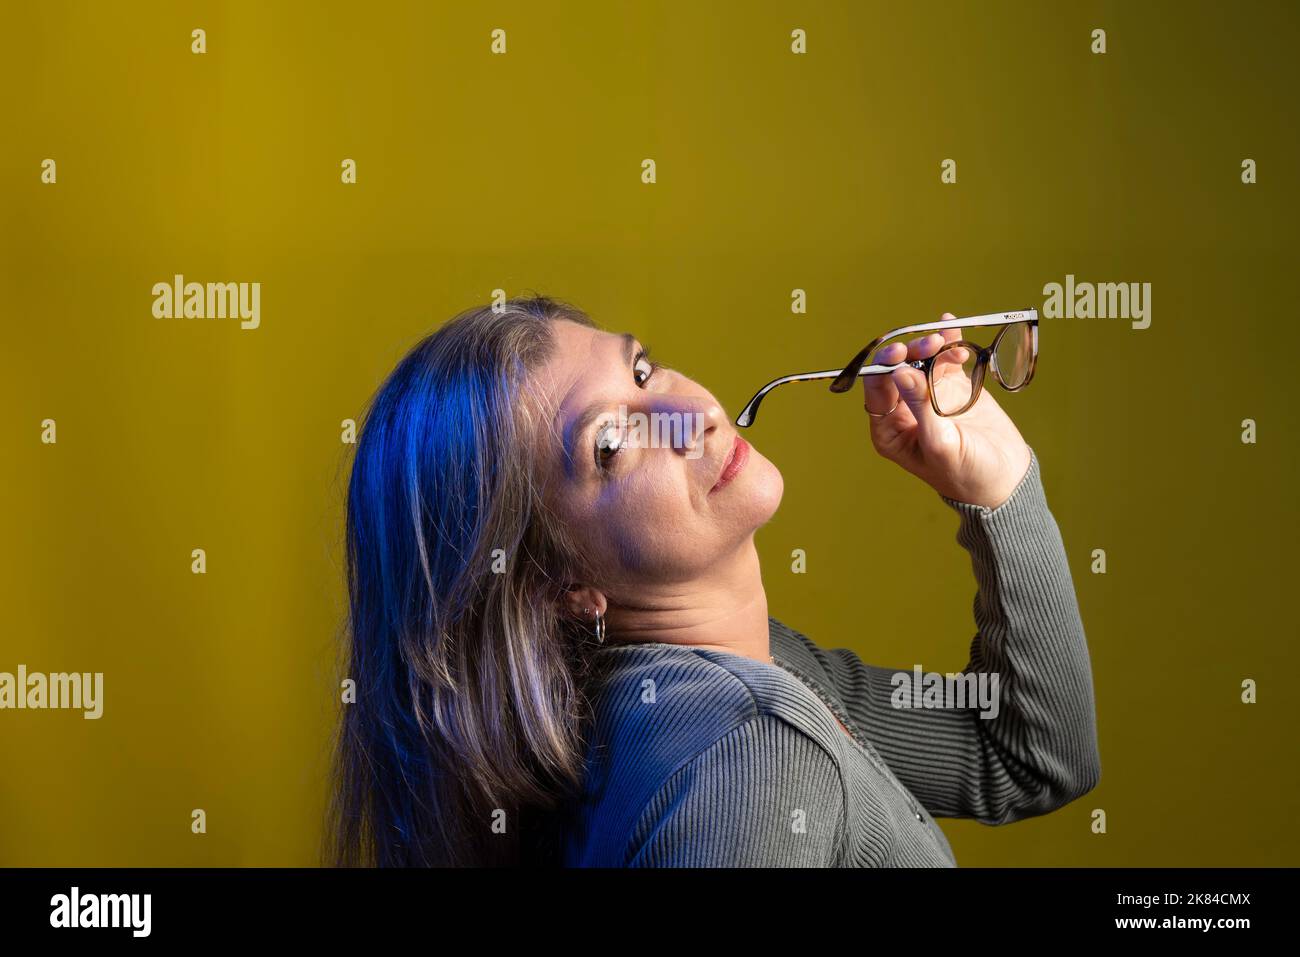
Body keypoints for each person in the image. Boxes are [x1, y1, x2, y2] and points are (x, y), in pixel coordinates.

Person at [328, 294, 1100, 867]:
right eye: (611, 443)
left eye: (641, 367)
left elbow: (1025, 758)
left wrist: (997, 490)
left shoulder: (747, 676)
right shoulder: (744, 748)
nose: (688, 411)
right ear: (559, 584)